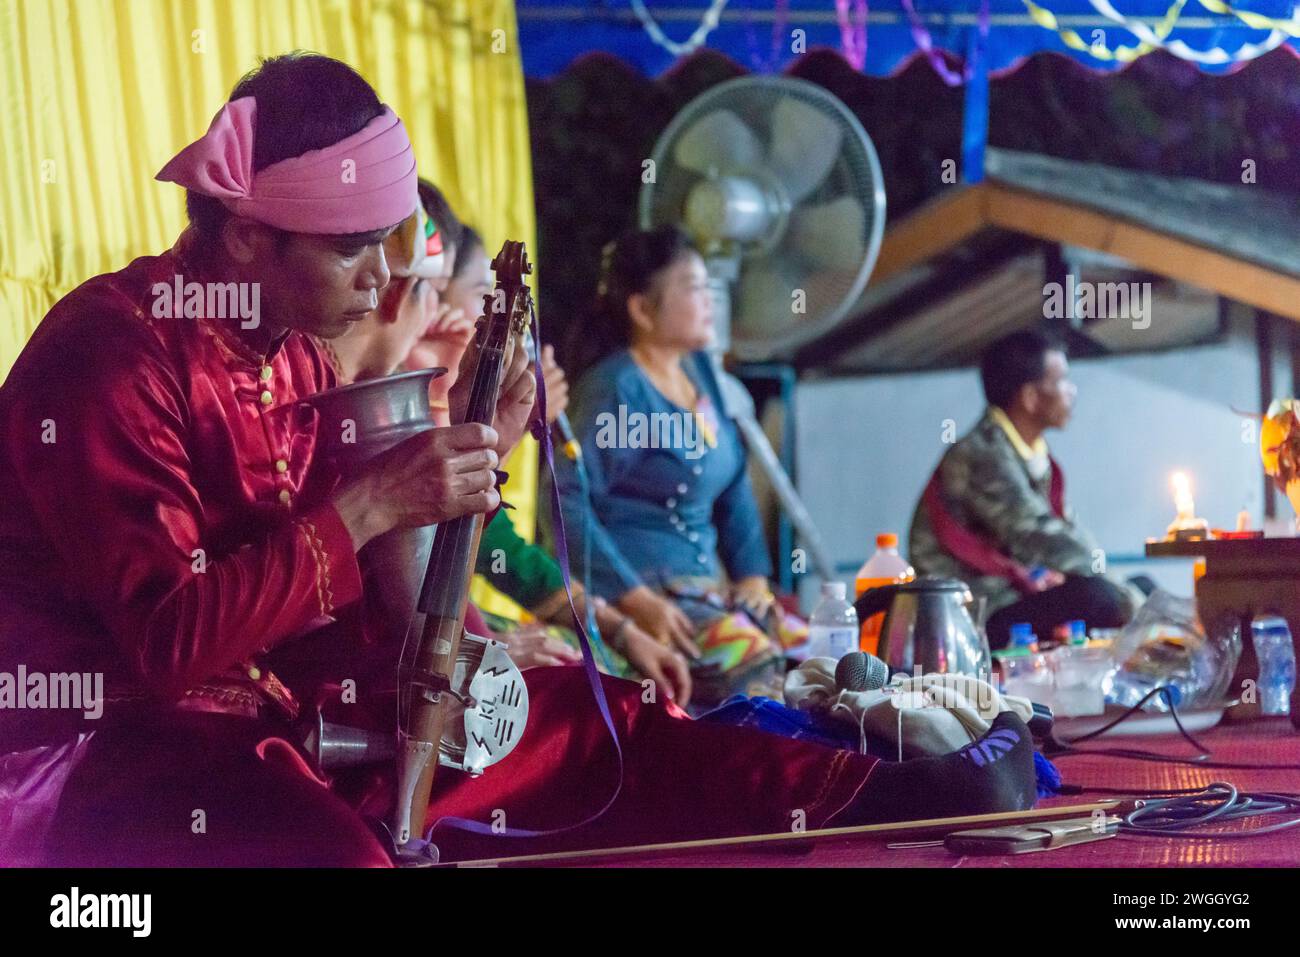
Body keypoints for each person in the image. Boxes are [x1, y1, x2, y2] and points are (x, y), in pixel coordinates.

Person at [0, 54, 1035, 867]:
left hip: (284, 710)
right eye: (351, 247)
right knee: (347, 858)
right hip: (102, 748)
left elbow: (341, 607)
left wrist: (478, 506)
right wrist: (368, 507)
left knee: (579, 722)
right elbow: (170, 644)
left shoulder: (289, 355)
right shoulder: (113, 356)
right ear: (241, 241)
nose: (386, 276)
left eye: (391, 238)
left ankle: (878, 785)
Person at [330, 207, 693, 702]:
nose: (453, 320)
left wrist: (618, 627)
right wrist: (487, 649)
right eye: (474, 294)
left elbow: (498, 551)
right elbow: (404, 602)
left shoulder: (710, 390)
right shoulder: (365, 416)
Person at [553, 227, 807, 707]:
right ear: (642, 310)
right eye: (692, 287)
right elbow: (563, 498)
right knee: (758, 670)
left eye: (708, 286)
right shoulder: (619, 389)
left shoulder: (700, 371)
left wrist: (752, 576)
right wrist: (634, 601)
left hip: (707, 590)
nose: (709, 299)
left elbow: (732, 482)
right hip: (647, 593)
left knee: (816, 655)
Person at [908, 329, 1141, 649]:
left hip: (1014, 596)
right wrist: (1128, 599)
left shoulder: (1028, 455)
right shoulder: (981, 454)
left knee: (1133, 588)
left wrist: (1126, 591)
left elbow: (1065, 535)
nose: (1071, 392)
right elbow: (1042, 536)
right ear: (1031, 397)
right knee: (1102, 598)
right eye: (1062, 381)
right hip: (973, 614)